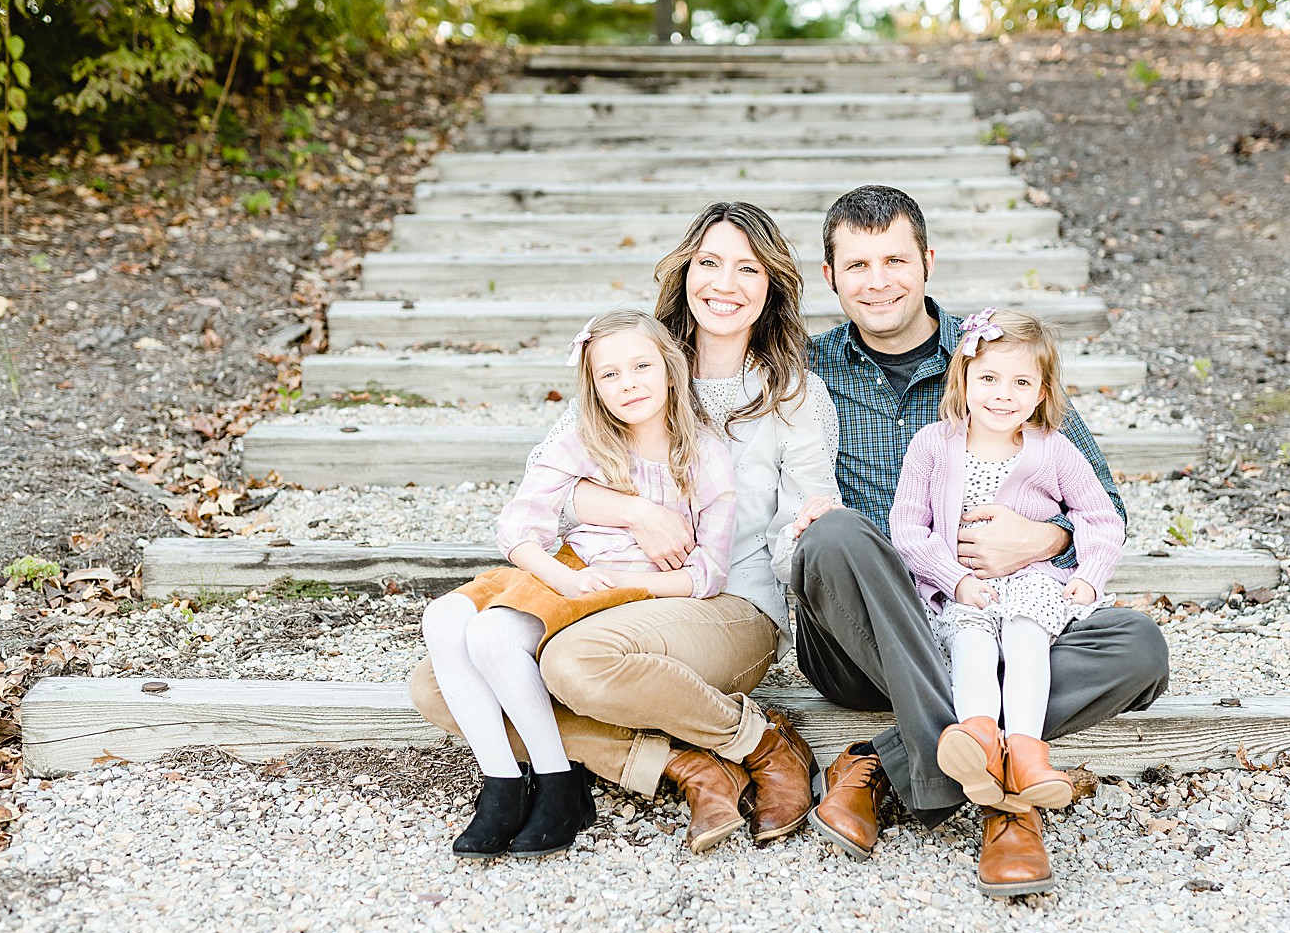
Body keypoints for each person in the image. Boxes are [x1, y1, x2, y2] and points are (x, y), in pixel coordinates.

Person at [410, 201, 842, 854]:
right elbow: (546, 489)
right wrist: (637, 511)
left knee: (574, 662)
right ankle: (680, 764)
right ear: (685, 271)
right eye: (709, 263)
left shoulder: (794, 393)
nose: (725, 283)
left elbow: (812, 522)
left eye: (747, 268)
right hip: (605, 583)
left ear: (772, 284)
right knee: (436, 682)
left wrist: (798, 535)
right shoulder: (635, 361)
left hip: (728, 598)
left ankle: (757, 740)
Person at [795, 185, 1169, 896]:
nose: (879, 281)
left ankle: (892, 763)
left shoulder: (998, 358)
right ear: (830, 276)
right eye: (858, 265)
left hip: (995, 618)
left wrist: (1041, 537)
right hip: (866, 628)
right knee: (835, 534)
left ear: (928, 261)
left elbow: (1101, 506)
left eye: (896, 259)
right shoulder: (808, 372)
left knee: (1141, 649)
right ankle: (1010, 802)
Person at [420, 307, 738, 860]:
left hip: (633, 589)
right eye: (609, 374)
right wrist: (562, 578)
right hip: (569, 570)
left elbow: (708, 572)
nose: (628, 384)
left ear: (670, 368)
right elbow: (517, 527)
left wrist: (616, 581)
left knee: (492, 638)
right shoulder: (583, 439)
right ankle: (502, 782)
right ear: (592, 385)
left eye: (641, 366)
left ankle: (559, 785)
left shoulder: (704, 454)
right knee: (442, 619)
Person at [889, 307, 1125, 818]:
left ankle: (1024, 751)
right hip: (965, 586)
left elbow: (1101, 517)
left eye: (1021, 382)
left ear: (1041, 393)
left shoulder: (1054, 451)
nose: (1003, 394)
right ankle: (977, 737)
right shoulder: (932, 445)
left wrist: (1088, 576)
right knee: (971, 643)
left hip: (1033, 581)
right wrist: (953, 581)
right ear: (964, 379)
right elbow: (908, 529)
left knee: (1026, 640)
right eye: (989, 378)